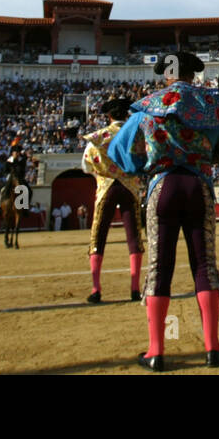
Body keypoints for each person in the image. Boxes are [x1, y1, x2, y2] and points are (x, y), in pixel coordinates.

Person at [107, 52, 219, 371]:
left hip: (162, 186)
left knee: (159, 267)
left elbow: (119, 151)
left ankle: (156, 352)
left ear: (166, 75)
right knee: (204, 264)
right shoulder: (211, 104)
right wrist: (198, 155)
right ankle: (213, 348)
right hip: (198, 186)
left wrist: (145, 166)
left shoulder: (147, 105)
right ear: (193, 75)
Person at [80, 98, 146, 303]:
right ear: (126, 115)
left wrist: (103, 173)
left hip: (106, 187)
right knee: (134, 236)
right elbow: (146, 159)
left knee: (98, 235)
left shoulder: (98, 137)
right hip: (130, 187)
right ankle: (135, 289)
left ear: (109, 116)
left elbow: (85, 166)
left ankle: (96, 289)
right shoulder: (136, 135)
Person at [0, 137, 26, 214]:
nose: (16, 153)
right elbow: (5, 170)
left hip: (19, 177)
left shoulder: (21, 161)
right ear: (12, 153)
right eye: (15, 152)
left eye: (18, 152)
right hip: (10, 177)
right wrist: (10, 173)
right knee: (1, 190)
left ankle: (25, 207)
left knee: (27, 190)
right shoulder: (9, 161)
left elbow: (23, 169)